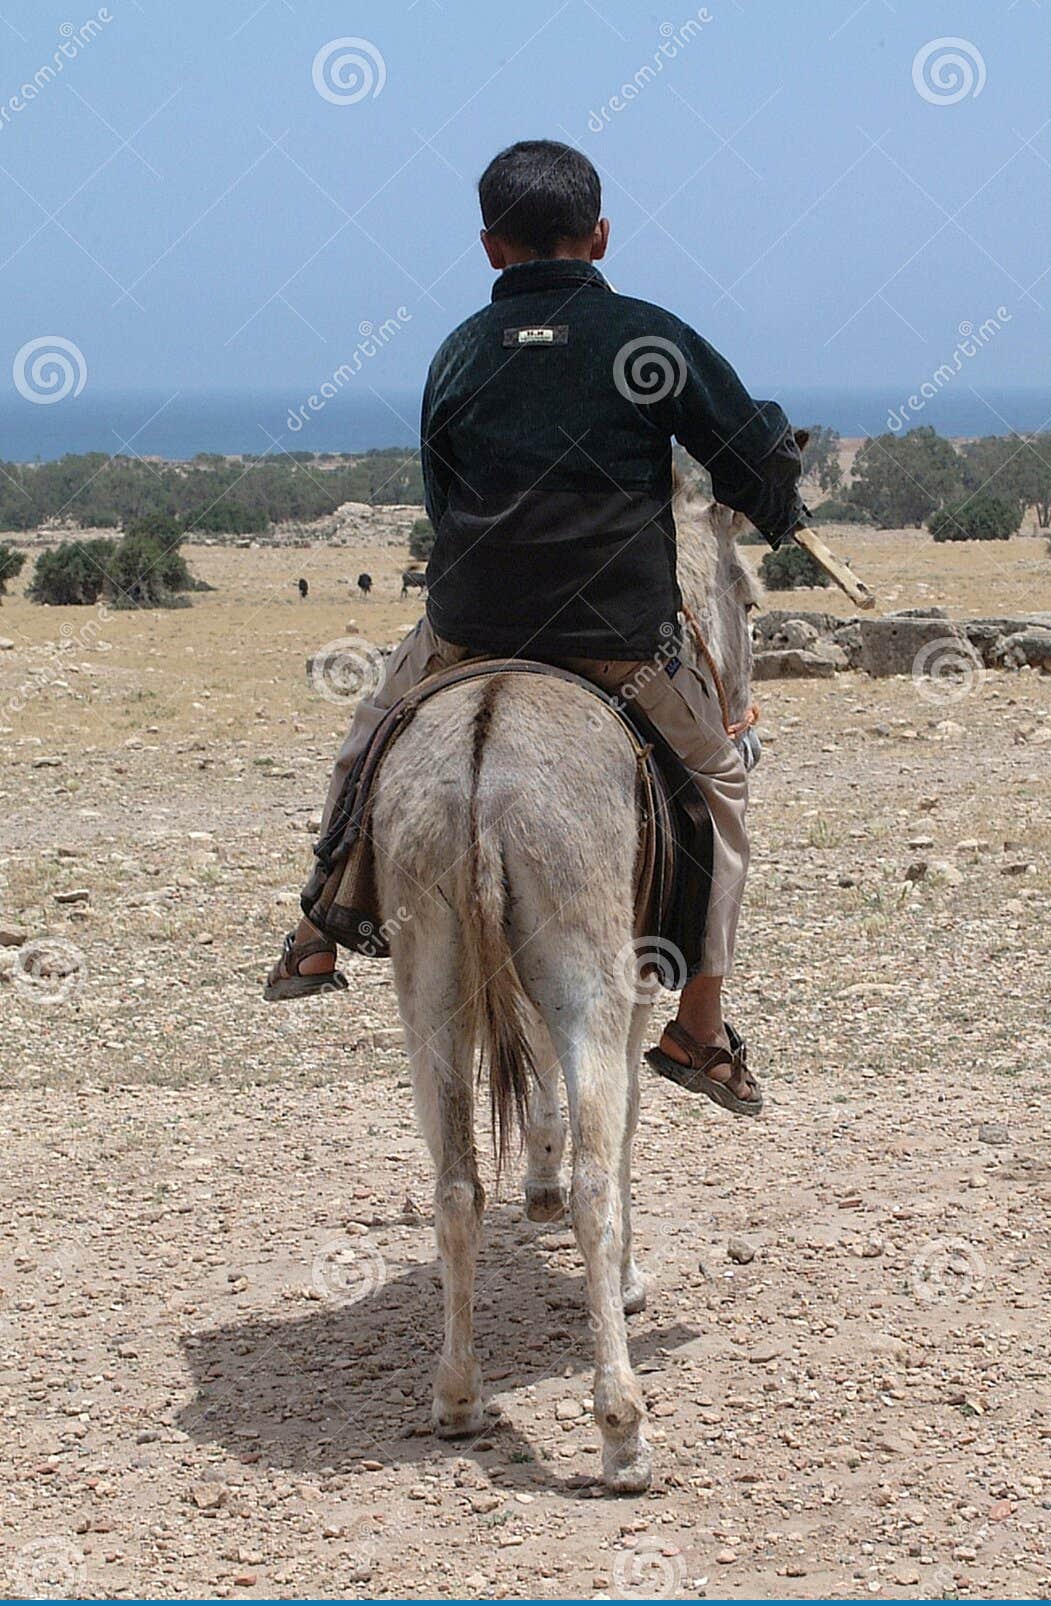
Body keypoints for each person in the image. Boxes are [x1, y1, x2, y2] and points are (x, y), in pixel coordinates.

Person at [263, 140, 806, 1115]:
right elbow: (747, 457)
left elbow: (440, 498)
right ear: (599, 235)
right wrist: (776, 496)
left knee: (371, 738)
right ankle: (698, 1027)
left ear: (488, 248)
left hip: (470, 627)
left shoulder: (459, 352)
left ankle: (317, 920)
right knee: (721, 783)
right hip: (618, 641)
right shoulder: (651, 341)